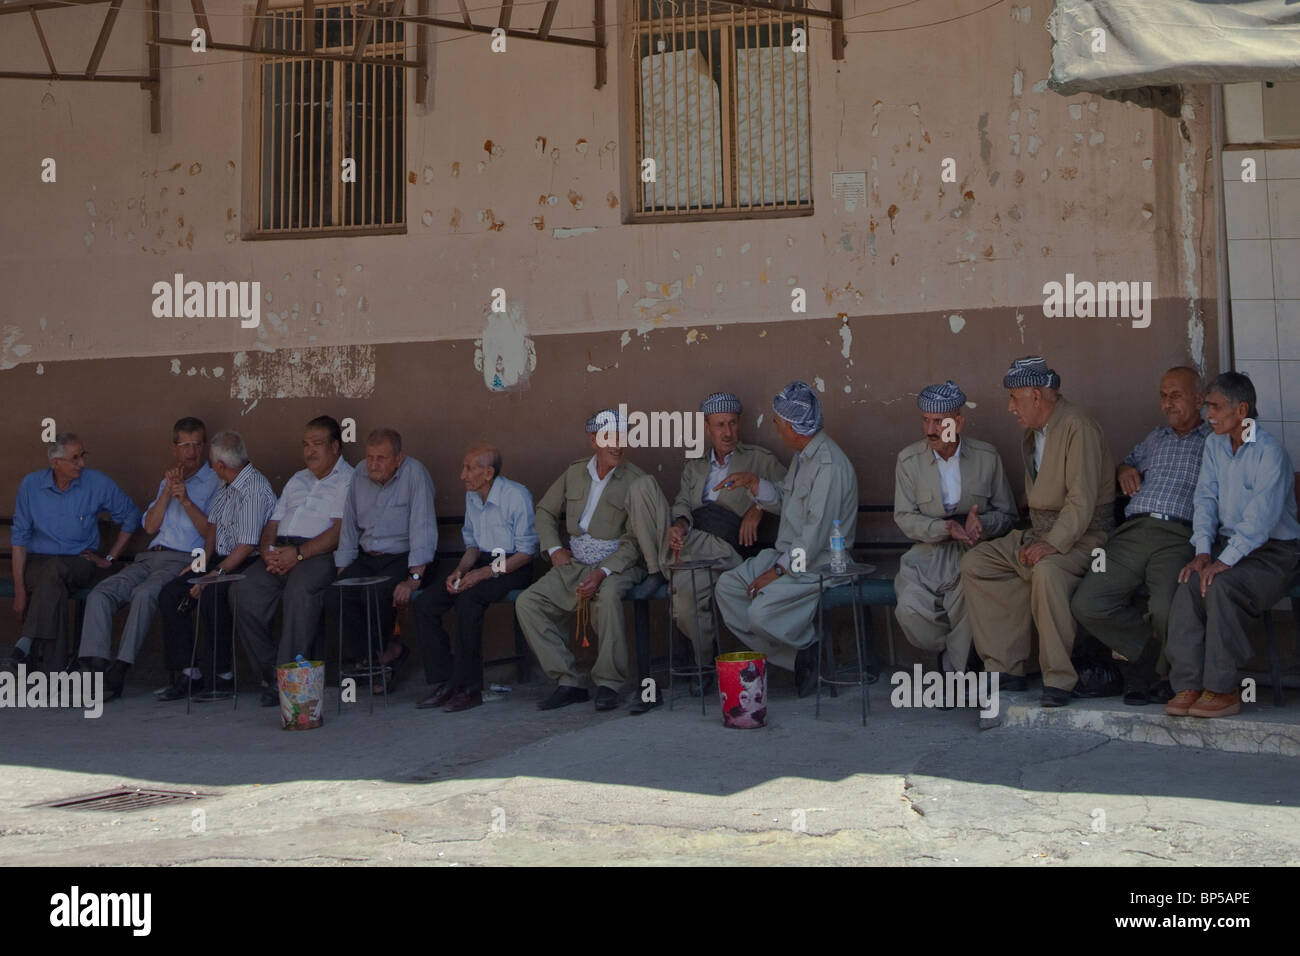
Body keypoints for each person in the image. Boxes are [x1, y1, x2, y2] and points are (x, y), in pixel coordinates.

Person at [962, 357, 1116, 707]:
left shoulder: (1078, 426)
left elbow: (1081, 501)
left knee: (1046, 572)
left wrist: (1052, 544)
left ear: (1035, 395)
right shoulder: (1036, 433)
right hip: (1040, 533)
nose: (1009, 407)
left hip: (1085, 538)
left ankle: (1059, 679)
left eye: (1014, 398)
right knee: (979, 563)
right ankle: (1006, 667)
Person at [623, 391, 786, 713]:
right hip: (694, 547)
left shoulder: (759, 458)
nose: (727, 432)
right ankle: (704, 666)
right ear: (707, 428)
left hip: (726, 547)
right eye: (720, 425)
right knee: (683, 604)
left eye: (733, 424)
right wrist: (679, 526)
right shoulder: (694, 468)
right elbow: (683, 503)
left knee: (646, 499)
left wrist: (758, 510)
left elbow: (790, 491)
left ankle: (656, 568)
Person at [1071, 367, 1211, 705]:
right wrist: (1125, 469)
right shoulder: (1156, 437)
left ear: (1199, 399)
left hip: (1178, 534)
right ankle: (1153, 659)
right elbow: (1125, 462)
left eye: (1175, 395)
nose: (1167, 404)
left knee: (1165, 608)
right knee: (1086, 603)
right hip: (1132, 532)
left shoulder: (1214, 441)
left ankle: (1147, 670)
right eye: (1163, 396)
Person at [1165, 372, 1300, 718]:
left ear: (1241, 410)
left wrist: (1225, 561)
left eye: (1215, 406)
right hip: (1228, 546)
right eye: (1207, 405)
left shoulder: (1270, 453)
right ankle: (1188, 684)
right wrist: (1203, 553)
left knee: (1221, 585)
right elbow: (1205, 500)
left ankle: (1222, 690)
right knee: (1189, 582)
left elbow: (1260, 521)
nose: (1208, 413)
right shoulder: (1214, 445)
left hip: (1274, 554)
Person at [714, 381, 859, 696]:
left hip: (817, 563)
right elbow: (787, 500)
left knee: (760, 613)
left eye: (779, 423)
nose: (776, 428)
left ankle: (805, 649)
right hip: (790, 555)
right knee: (728, 588)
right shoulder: (805, 455)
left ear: (795, 427)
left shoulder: (829, 466)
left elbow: (814, 536)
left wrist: (777, 572)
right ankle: (799, 656)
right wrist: (754, 483)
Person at [77, 417, 219, 699]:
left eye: (196, 445)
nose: (190, 452)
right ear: (174, 448)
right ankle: (95, 669)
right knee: (100, 594)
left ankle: (119, 671)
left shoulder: (215, 481)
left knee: (144, 595)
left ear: (204, 447)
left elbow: (212, 532)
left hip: (182, 560)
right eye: (184, 445)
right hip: (148, 557)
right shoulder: (165, 481)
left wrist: (186, 500)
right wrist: (167, 492)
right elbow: (151, 527)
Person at [516, 409, 648, 712]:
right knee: (528, 603)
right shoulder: (574, 472)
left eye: (621, 437)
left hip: (617, 564)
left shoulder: (637, 481)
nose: (617, 445)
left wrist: (602, 573)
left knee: (609, 597)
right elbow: (545, 512)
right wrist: (554, 550)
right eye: (609, 438)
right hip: (573, 563)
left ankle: (609, 684)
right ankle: (568, 681)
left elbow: (635, 541)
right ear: (593, 440)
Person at [893, 381, 1017, 678]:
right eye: (925, 420)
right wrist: (944, 527)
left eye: (939, 421)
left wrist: (983, 524)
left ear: (958, 422)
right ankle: (951, 652)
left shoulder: (987, 457)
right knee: (909, 609)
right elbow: (905, 517)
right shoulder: (909, 461)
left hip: (974, 552)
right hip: (927, 553)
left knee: (969, 601)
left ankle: (955, 674)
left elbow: (1008, 514)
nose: (930, 430)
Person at [232, 416, 354, 706]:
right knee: (241, 592)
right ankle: (273, 673)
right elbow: (273, 522)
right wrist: (267, 552)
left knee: (298, 592)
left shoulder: (349, 479)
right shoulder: (297, 479)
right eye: (306, 445)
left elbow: (339, 531)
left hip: (317, 556)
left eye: (318, 444)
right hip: (280, 552)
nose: (310, 451)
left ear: (335, 447)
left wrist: (298, 555)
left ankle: (285, 683)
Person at [413, 443, 537, 712]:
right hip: (482, 560)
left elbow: (527, 552)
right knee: (426, 603)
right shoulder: (472, 496)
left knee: (468, 601)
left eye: (469, 468)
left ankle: (470, 688)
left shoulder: (516, 496)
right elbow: (472, 546)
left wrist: (483, 573)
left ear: (488, 473)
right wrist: (460, 571)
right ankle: (448, 680)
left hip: (512, 563)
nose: (462, 475)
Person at [156, 431, 277, 701]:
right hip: (219, 558)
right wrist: (201, 565)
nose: (210, 466)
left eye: (212, 461)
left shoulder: (254, 488)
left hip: (245, 563)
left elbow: (246, 545)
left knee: (212, 595)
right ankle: (190, 673)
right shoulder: (226, 483)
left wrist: (214, 575)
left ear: (221, 465)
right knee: (171, 593)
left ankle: (221, 676)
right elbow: (213, 528)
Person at [7, 433, 140, 671]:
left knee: (54, 572)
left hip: (80, 561)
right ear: (55, 463)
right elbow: (19, 539)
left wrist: (110, 557)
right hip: (38, 564)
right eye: (75, 458)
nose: (82, 463)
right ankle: (53, 671)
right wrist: (19, 590)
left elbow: (131, 515)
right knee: (52, 582)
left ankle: (27, 642)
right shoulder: (31, 485)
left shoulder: (96, 482)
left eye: (83, 456)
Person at [333, 428, 437, 694]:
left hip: (404, 556)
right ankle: (375, 657)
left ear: (398, 458)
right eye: (370, 457)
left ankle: (383, 656)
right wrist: (344, 568)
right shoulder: (359, 473)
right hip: (369, 556)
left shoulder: (415, 474)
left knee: (378, 594)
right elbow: (349, 526)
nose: (373, 464)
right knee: (338, 594)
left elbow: (422, 527)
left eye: (381, 458)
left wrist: (414, 578)